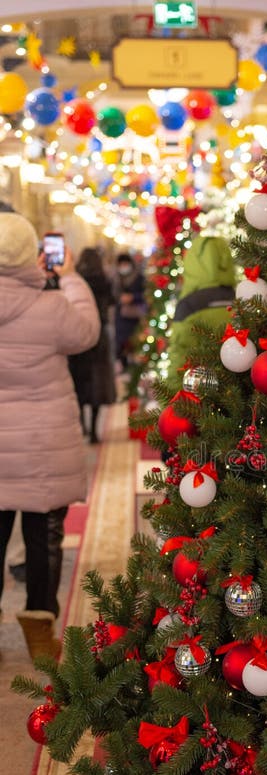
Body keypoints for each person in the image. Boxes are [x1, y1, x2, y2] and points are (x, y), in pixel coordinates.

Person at [0, 212, 100, 659]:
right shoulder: (53, 306)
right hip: (44, 444)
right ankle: (41, 635)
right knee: (44, 539)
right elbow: (88, 333)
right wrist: (73, 278)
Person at [167, 235, 237, 386]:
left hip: (200, 391)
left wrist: (170, 400)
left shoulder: (188, 304)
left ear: (193, 263)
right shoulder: (240, 297)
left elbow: (180, 355)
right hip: (237, 389)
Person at [68, 247, 116, 443]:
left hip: (77, 334)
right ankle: (95, 431)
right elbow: (112, 301)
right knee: (97, 382)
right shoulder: (104, 281)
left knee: (79, 382)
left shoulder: (76, 281)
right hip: (99, 336)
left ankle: (83, 425)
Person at [113, 251, 145, 371]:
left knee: (134, 341)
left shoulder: (139, 278)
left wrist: (133, 297)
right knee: (121, 343)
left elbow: (145, 295)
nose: (123, 267)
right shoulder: (116, 279)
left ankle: (134, 368)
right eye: (121, 264)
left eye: (125, 264)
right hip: (120, 317)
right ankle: (123, 364)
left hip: (134, 317)